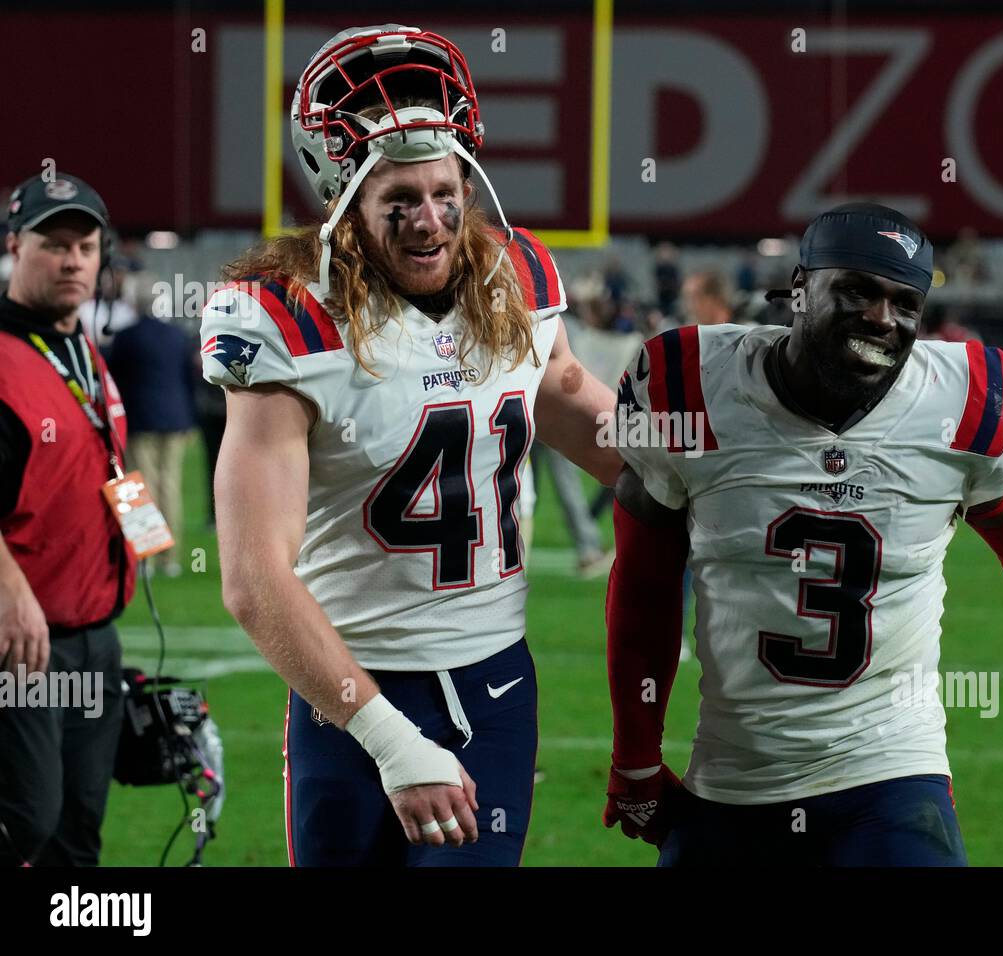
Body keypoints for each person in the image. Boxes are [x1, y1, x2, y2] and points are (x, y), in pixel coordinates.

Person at [601, 203, 1003, 866]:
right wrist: (636, 758)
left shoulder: (967, 401)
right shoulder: (688, 385)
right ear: (800, 287)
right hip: (733, 777)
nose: (881, 318)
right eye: (858, 291)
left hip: (891, 774)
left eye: (905, 303)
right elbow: (644, 581)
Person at [203, 25, 621, 867]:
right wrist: (390, 740)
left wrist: (740, 480)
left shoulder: (519, 279)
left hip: (496, 681)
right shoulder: (287, 318)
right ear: (346, 197)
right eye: (400, 199)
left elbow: (591, 417)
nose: (430, 220)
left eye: (445, 190)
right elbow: (252, 580)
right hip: (349, 688)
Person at [0, 173, 134, 865]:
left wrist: (142, 547)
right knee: (24, 819)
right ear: (15, 245)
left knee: (77, 833)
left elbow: (108, 459)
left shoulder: (81, 348)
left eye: (86, 245)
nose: (74, 259)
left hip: (93, 635)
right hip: (22, 645)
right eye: (55, 244)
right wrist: (12, 590)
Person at [107, 297, 199, 577]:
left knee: (140, 488)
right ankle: (170, 560)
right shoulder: (177, 336)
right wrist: (190, 420)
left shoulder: (125, 338)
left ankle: (146, 557)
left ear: (135, 305)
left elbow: (114, 380)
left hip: (139, 421)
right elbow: (190, 379)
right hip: (174, 419)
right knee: (169, 486)